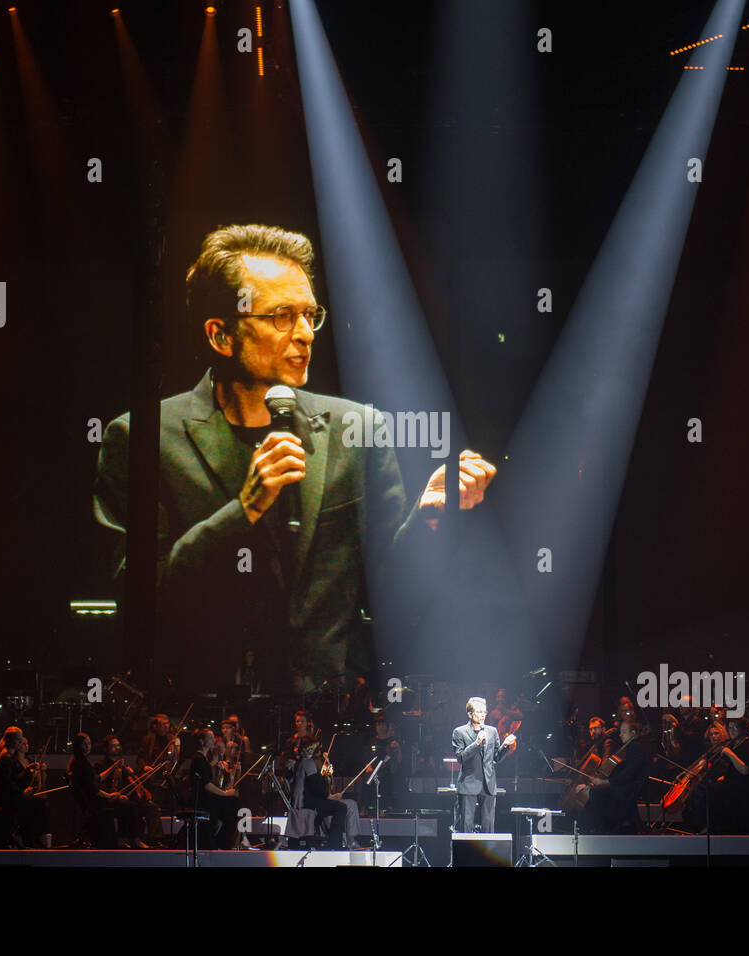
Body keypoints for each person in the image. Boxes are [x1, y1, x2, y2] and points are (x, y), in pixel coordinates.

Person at [93, 224, 497, 693]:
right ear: (221, 335)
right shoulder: (142, 438)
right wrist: (241, 511)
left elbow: (390, 596)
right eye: (283, 316)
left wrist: (428, 521)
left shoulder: (358, 429)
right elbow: (136, 602)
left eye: (310, 314)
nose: (305, 334)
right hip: (197, 713)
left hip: (327, 716)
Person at [452, 696, 515, 832]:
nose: (482, 715)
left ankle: (486, 852)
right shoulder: (459, 732)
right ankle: (466, 853)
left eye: (484, 712)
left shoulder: (492, 731)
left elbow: (496, 757)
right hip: (469, 783)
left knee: (488, 826)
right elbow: (460, 757)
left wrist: (505, 746)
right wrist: (477, 743)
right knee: (466, 826)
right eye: (479, 712)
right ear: (470, 714)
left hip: (488, 784)